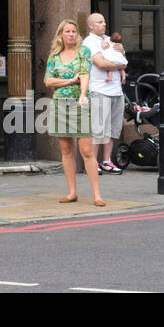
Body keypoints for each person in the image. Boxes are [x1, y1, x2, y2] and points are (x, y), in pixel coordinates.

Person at [45, 19, 102, 205]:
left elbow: (85, 74)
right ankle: (72, 193)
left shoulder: (83, 52)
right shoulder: (54, 56)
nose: (71, 34)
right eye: (67, 31)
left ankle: (97, 195)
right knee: (66, 150)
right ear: (61, 34)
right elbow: (48, 81)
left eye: (74, 31)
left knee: (87, 151)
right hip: (60, 103)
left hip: (80, 103)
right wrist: (70, 81)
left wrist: (83, 94)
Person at [83, 13, 127, 175]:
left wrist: (122, 53)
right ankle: (92, 162)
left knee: (113, 129)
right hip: (99, 90)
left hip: (116, 91)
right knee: (98, 129)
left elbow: (124, 61)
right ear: (91, 26)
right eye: (99, 22)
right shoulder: (89, 42)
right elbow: (100, 64)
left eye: (104, 21)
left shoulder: (110, 40)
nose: (104, 24)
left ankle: (106, 161)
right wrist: (119, 65)